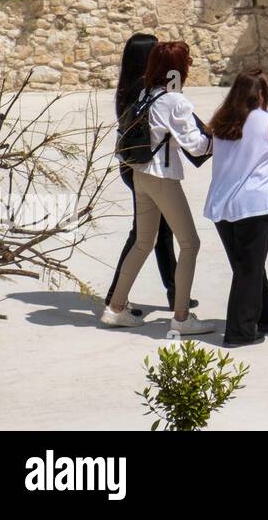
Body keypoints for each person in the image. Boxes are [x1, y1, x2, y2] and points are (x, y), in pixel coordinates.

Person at [101, 41, 214, 335]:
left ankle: (115, 308)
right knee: (190, 243)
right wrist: (222, 136)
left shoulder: (146, 94)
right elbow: (198, 146)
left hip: (140, 174)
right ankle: (181, 316)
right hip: (163, 179)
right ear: (178, 69)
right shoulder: (176, 101)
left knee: (143, 242)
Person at [205, 70, 268, 347]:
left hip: (222, 204)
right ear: (261, 94)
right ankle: (240, 330)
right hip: (254, 205)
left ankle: (266, 309)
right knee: (248, 269)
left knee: (246, 263)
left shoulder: (222, 121)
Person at [104, 32, 183, 317]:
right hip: (145, 166)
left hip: (132, 164)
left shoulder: (129, 85)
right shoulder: (144, 88)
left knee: (161, 233)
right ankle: (115, 297)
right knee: (143, 235)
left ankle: (176, 292)